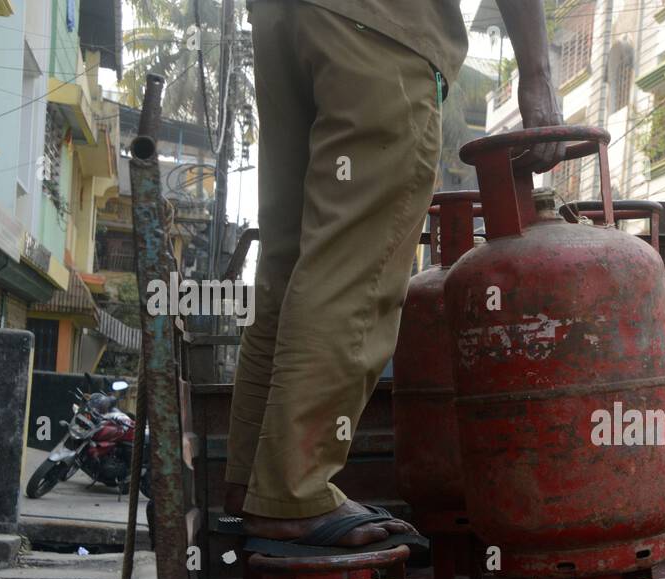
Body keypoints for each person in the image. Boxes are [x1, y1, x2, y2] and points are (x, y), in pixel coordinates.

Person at [224, 0, 563, 547]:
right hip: (380, 27)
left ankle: (250, 483)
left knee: (290, 261)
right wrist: (538, 74)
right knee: (355, 263)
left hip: (281, 21)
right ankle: (292, 492)